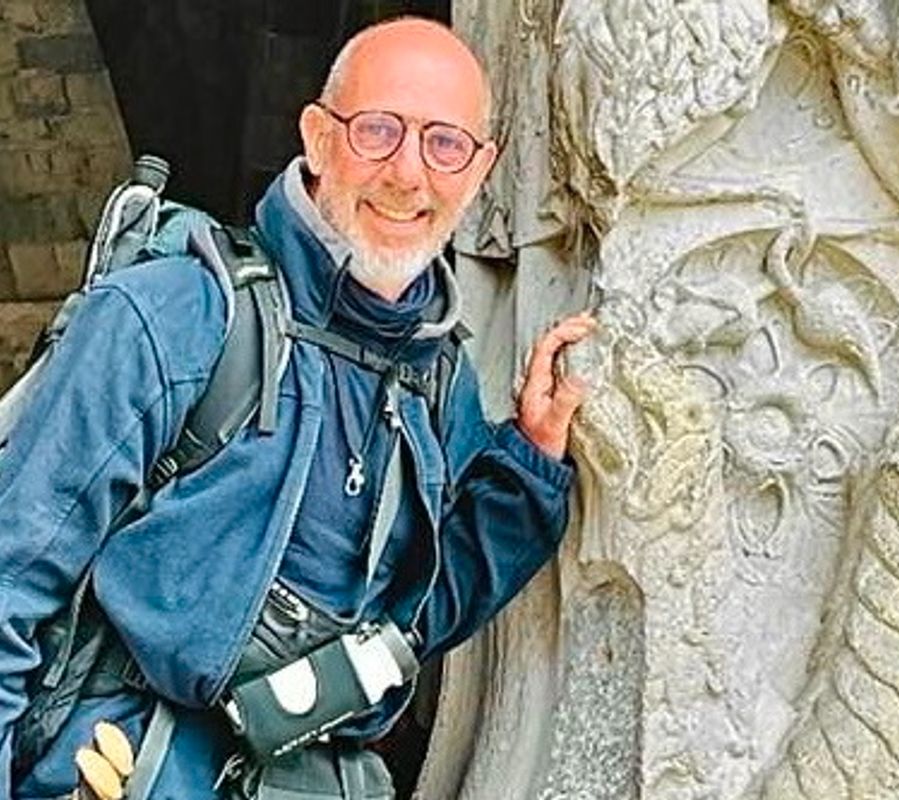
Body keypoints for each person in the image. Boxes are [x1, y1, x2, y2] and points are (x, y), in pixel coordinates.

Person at [0, 17, 595, 799]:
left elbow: (417, 616)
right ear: (316, 138)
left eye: (445, 144)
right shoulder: (174, 316)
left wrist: (530, 464)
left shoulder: (438, 381)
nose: (408, 174)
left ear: (480, 168)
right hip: (125, 772)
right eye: (378, 130)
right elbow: (11, 577)